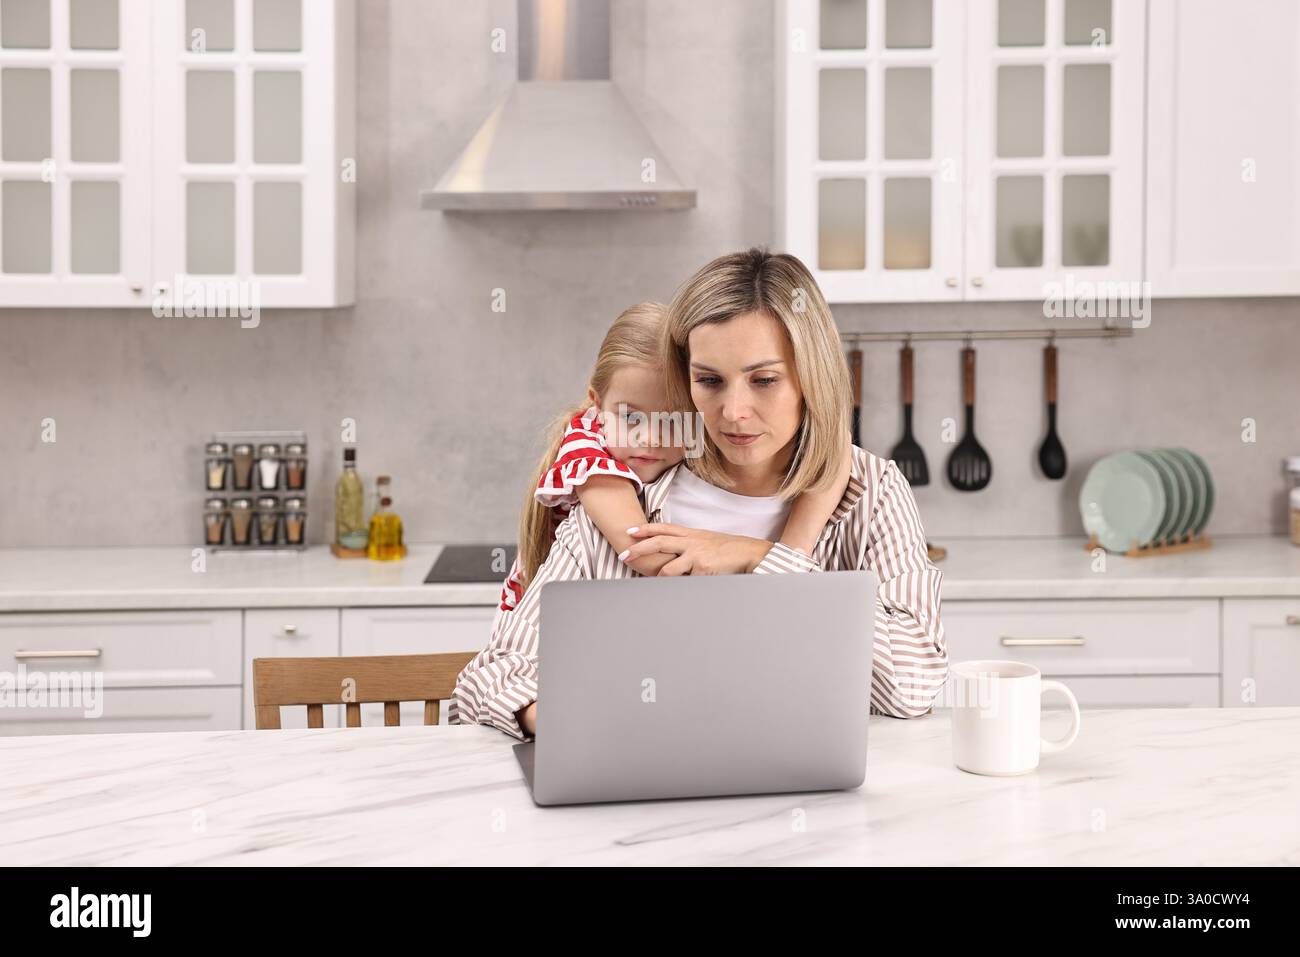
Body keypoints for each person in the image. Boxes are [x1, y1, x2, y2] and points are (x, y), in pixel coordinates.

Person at [451, 249, 946, 740]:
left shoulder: (872, 491)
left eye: (764, 380)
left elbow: (912, 685)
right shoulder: (632, 499)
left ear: (810, 378)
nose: (733, 412)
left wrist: (760, 558)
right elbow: (487, 679)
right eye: (709, 381)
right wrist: (563, 721)